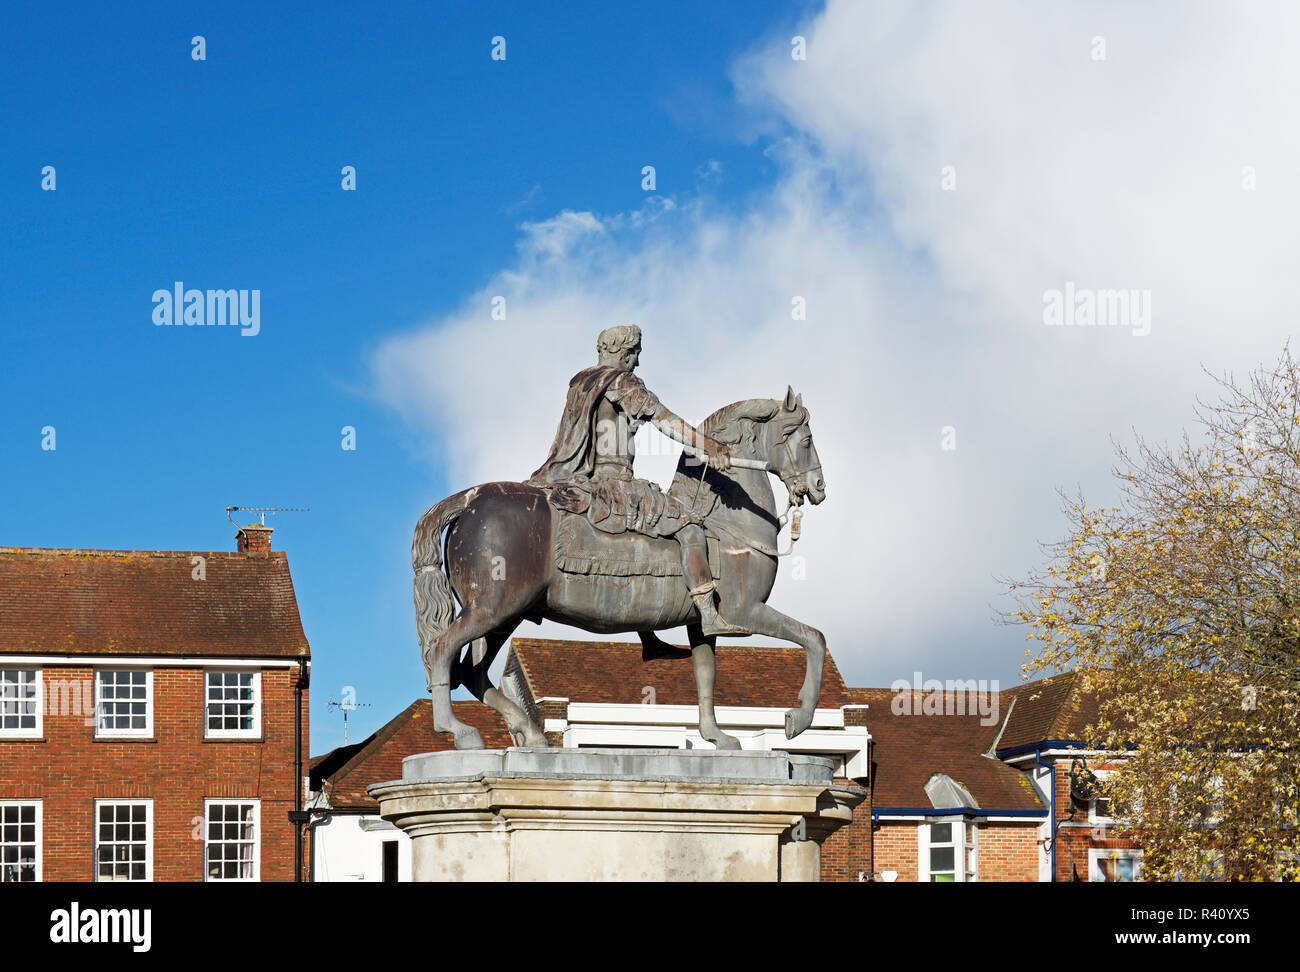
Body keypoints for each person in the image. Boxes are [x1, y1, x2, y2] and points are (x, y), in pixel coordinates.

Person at [530, 324, 749, 637]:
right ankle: (709, 616)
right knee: (689, 529)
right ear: (624, 352)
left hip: (583, 479)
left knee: (647, 542)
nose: (637, 363)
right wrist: (706, 445)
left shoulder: (580, 382)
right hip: (613, 484)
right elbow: (665, 420)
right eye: (635, 355)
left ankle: (649, 638)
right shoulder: (621, 381)